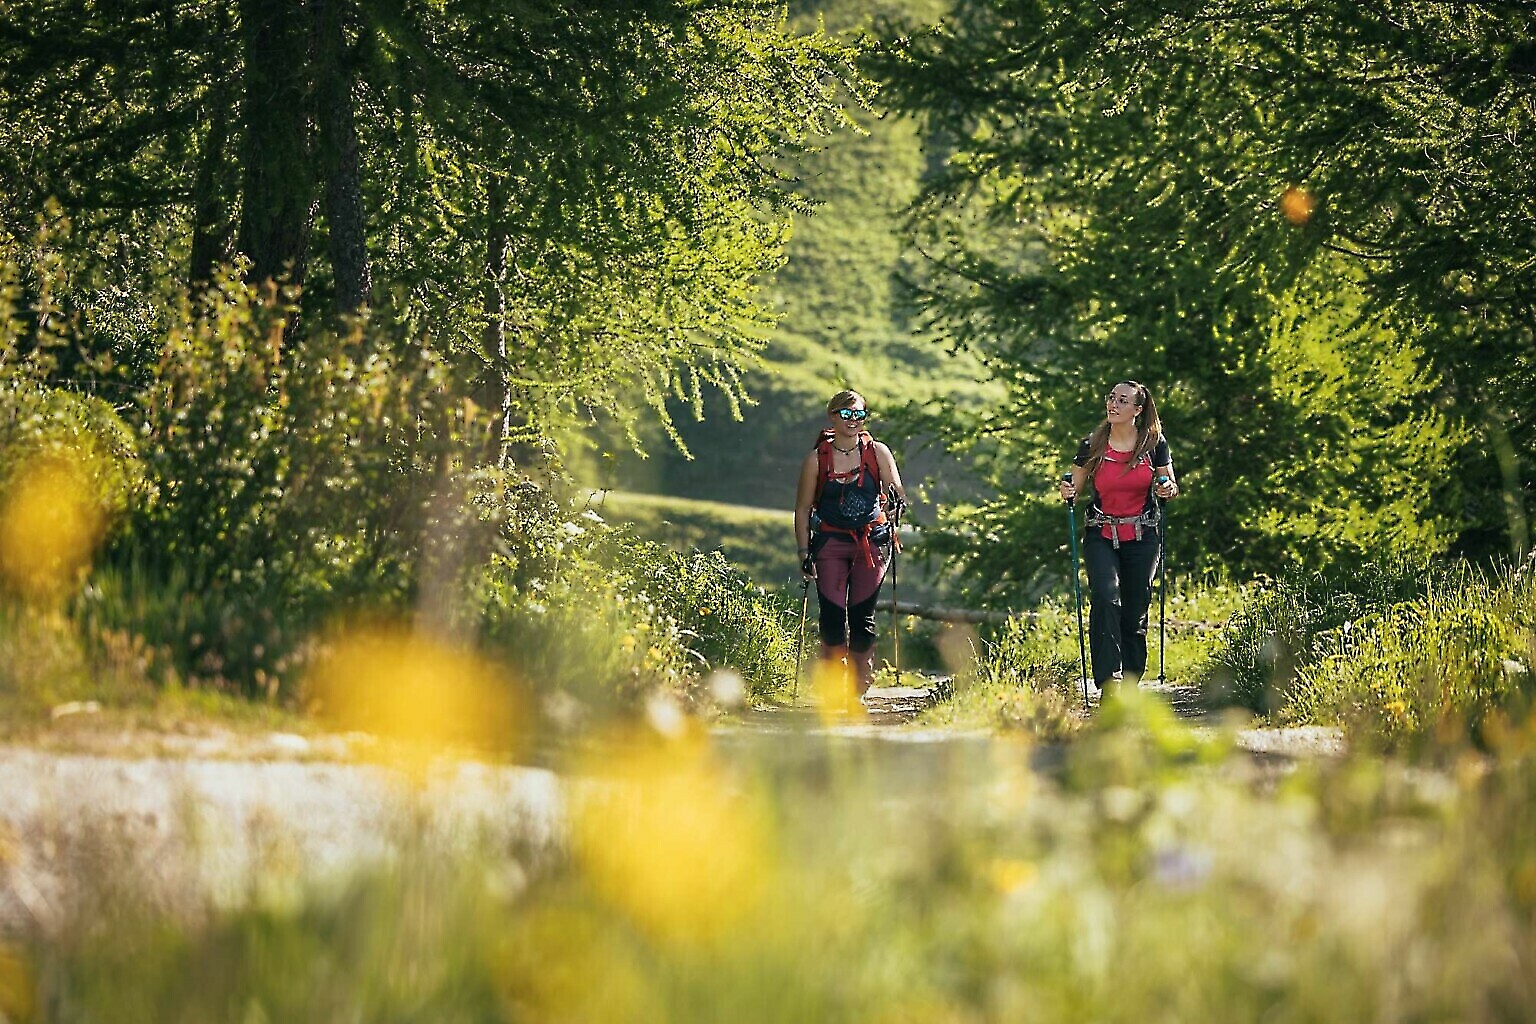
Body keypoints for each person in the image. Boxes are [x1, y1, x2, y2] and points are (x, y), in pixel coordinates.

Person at [1058, 380, 1179, 696]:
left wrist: (1167, 488)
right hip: (1101, 533)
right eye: (1112, 398)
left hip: (1143, 535)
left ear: (1137, 410)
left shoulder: (1154, 444)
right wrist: (1067, 490)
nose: (1114, 404)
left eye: (1123, 401)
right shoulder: (1092, 445)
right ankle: (1109, 682)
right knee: (1105, 598)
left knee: (1135, 607)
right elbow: (1075, 485)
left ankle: (1131, 676)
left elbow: (1169, 482)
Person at [794, 390, 908, 698]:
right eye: (846, 415)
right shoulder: (817, 459)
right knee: (832, 617)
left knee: (862, 617)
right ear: (833, 417)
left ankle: (858, 686)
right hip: (830, 542)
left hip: (870, 544)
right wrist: (804, 552)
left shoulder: (878, 453)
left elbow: (897, 493)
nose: (853, 421)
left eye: (859, 415)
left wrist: (895, 507)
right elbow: (803, 509)